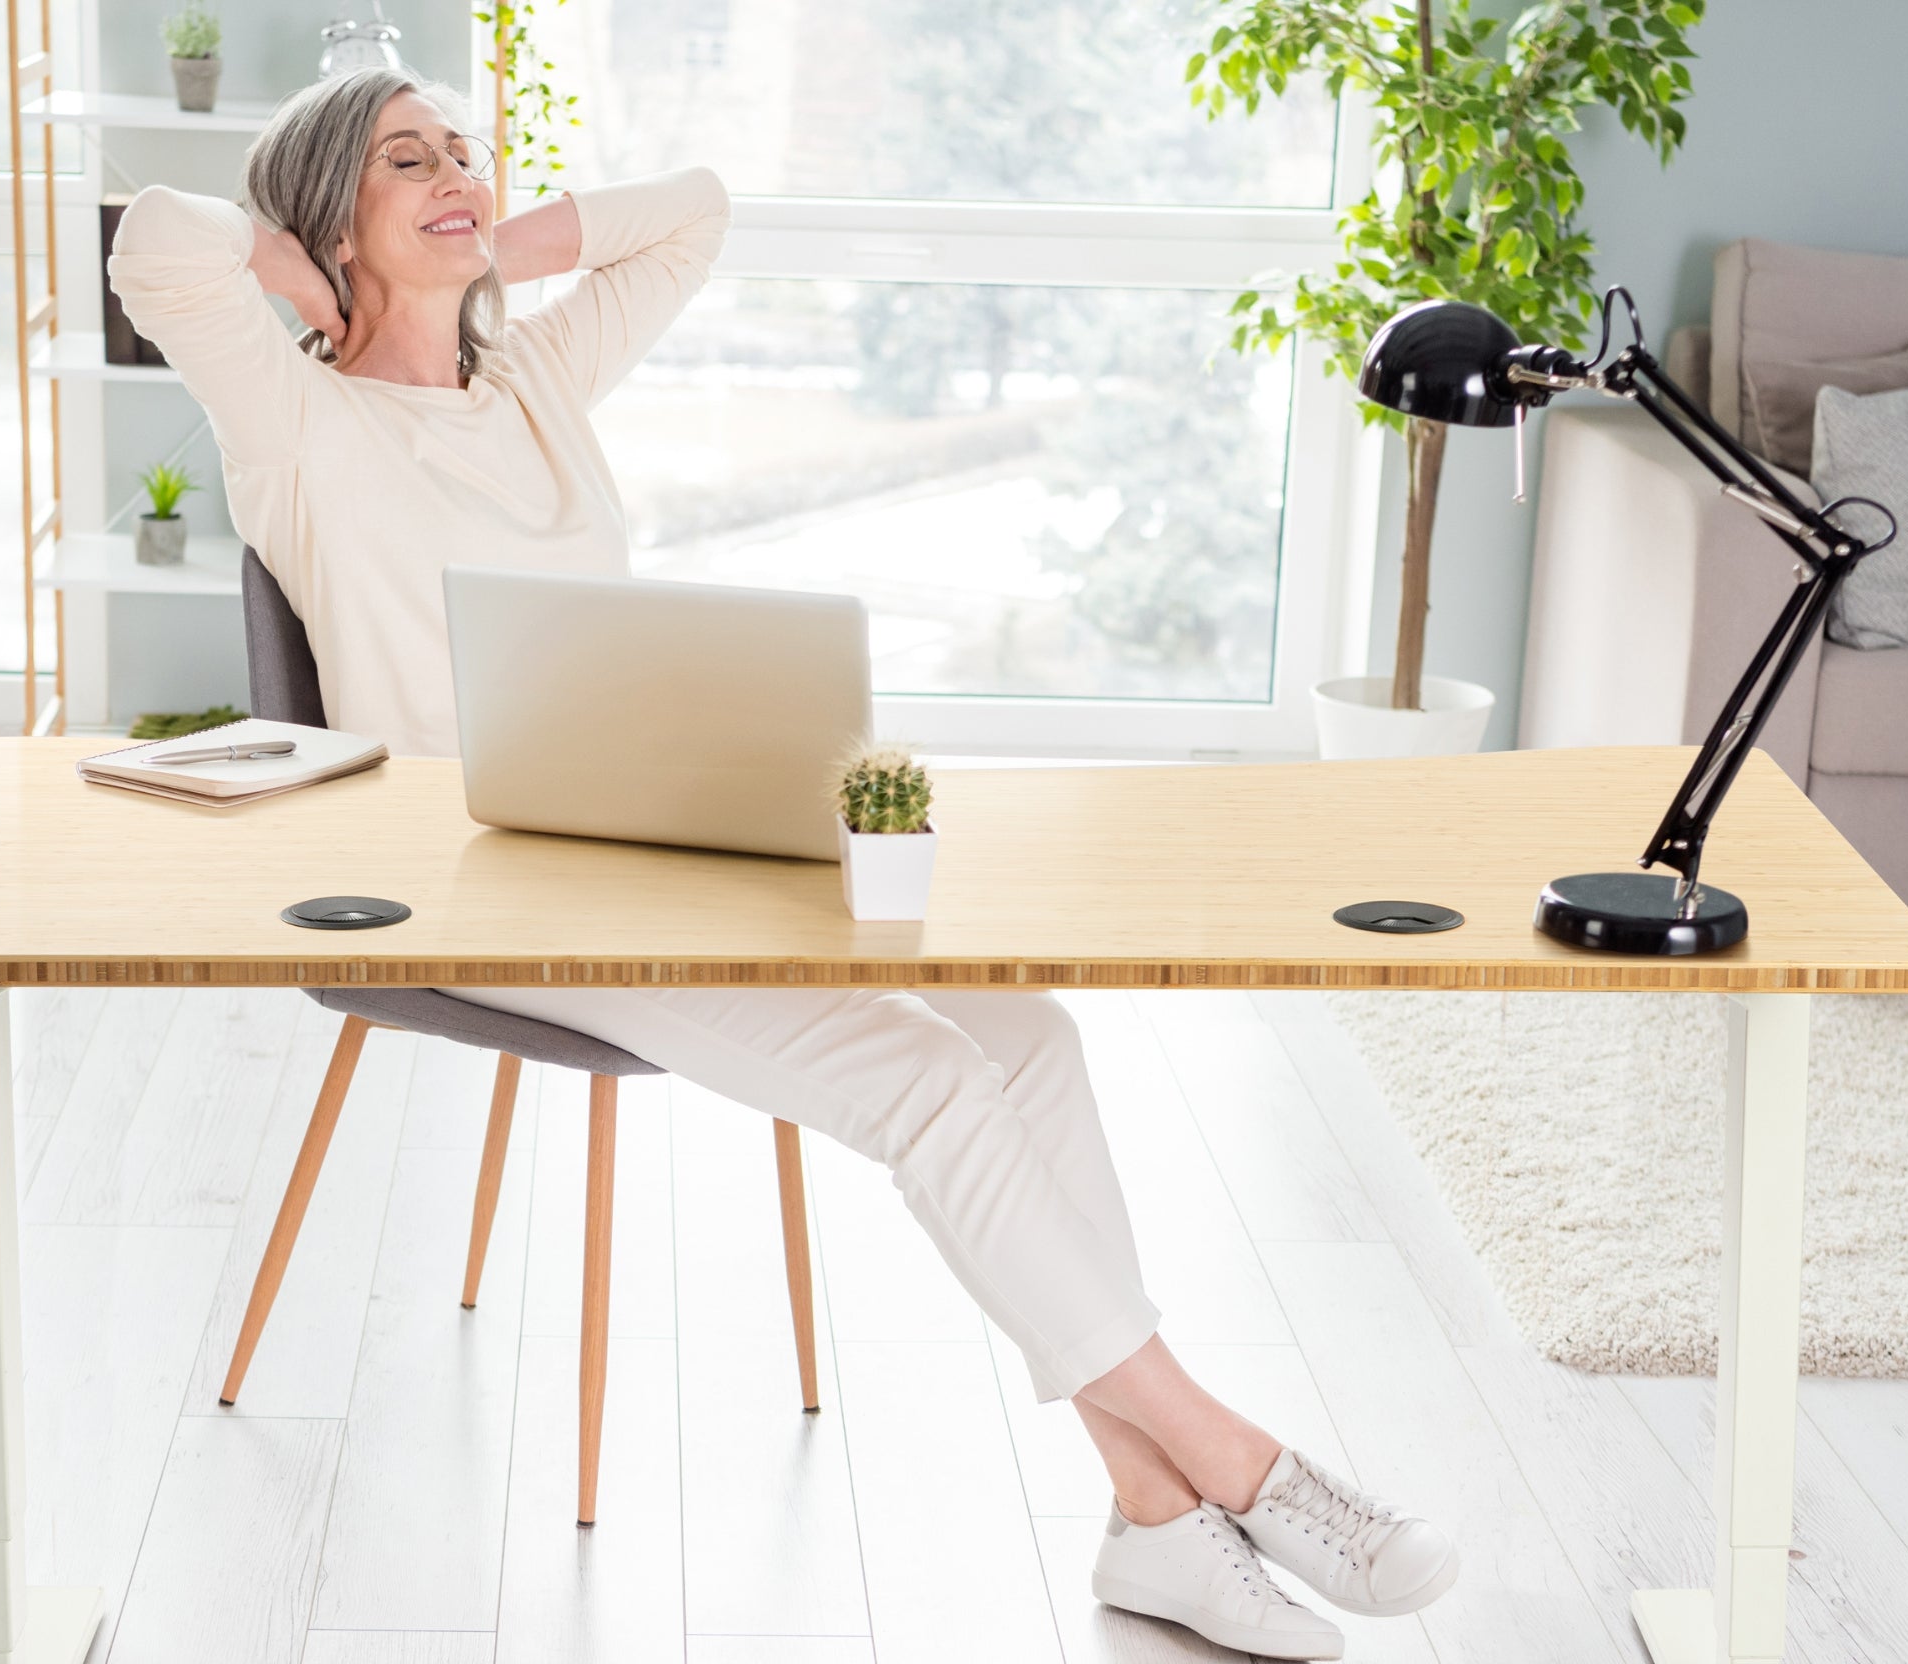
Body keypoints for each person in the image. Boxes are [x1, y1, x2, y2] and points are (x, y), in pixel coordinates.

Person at [109, 67, 1455, 1660]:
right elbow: (149, 243)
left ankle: (1156, 1520)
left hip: (652, 844)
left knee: (1028, 1032)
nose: (459, 169)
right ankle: (1238, 1463)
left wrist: (478, 241)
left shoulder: (532, 379)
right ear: (331, 204)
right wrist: (320, 269)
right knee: (932, 1081)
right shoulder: (299, 423)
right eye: (410, 158)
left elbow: (693, 216)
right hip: (482, 893)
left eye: (468, 147)